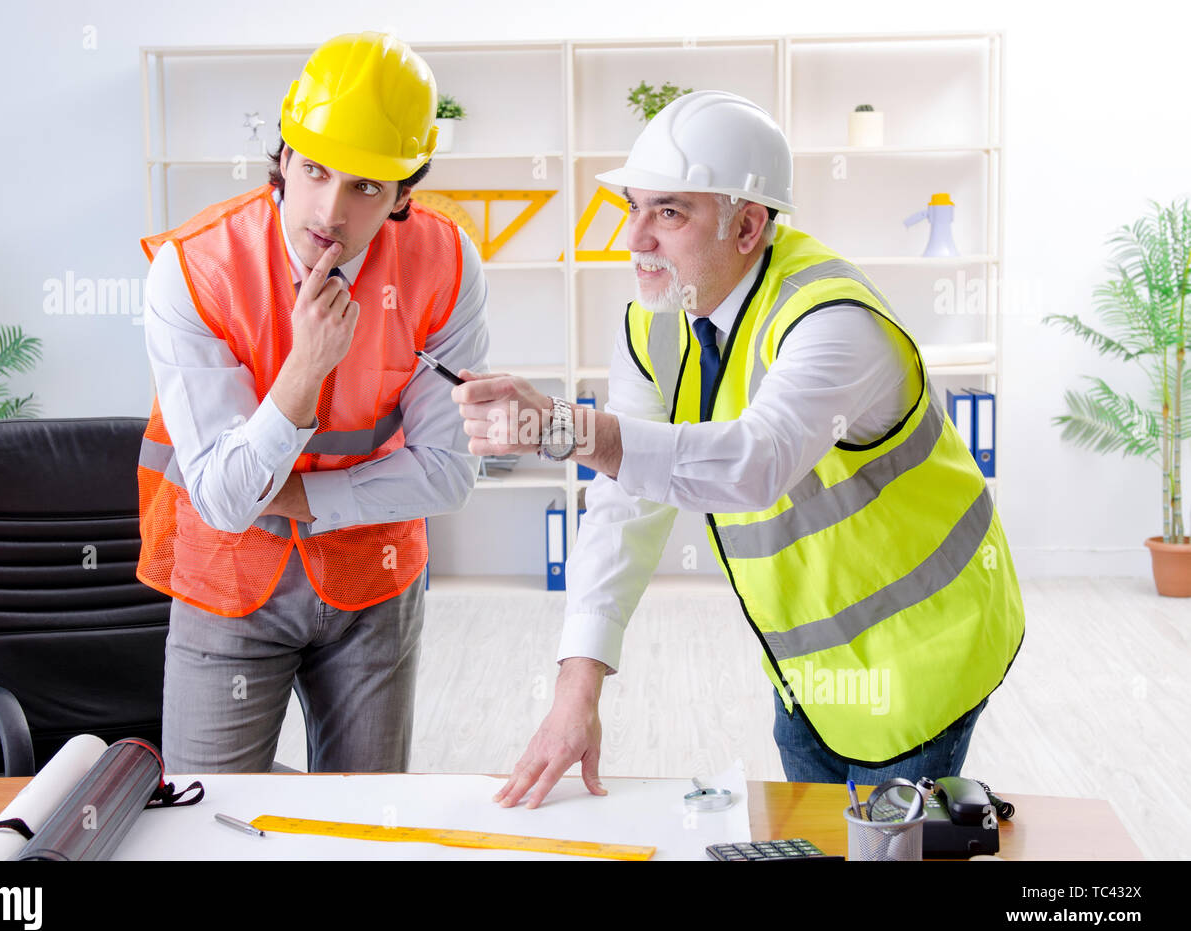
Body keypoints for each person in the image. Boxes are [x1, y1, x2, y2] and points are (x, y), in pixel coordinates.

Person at [453, 90, 1024, 806]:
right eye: (633, 207)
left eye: (669, 211)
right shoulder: (656, 323)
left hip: (924, 652)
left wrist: (562, 429)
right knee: (817, 838)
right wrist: (577, 689)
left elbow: (755, 465)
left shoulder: (833, 320)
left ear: (749, 224)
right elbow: (627, 498)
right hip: (806, 667)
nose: (634, 238)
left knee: (883, 846)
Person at [137, 32, 489, 774]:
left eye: (365, 186)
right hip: (227, 578)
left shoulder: (447, 263)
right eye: (315, 169)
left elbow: (449, 474)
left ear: (402, 194)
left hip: (375, 574)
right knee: (205, 816)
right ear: (285, 157)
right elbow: (227, 503)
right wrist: (303, 371)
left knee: (362, 826)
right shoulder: (194, 269)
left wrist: (296, 494)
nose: (329, 209)